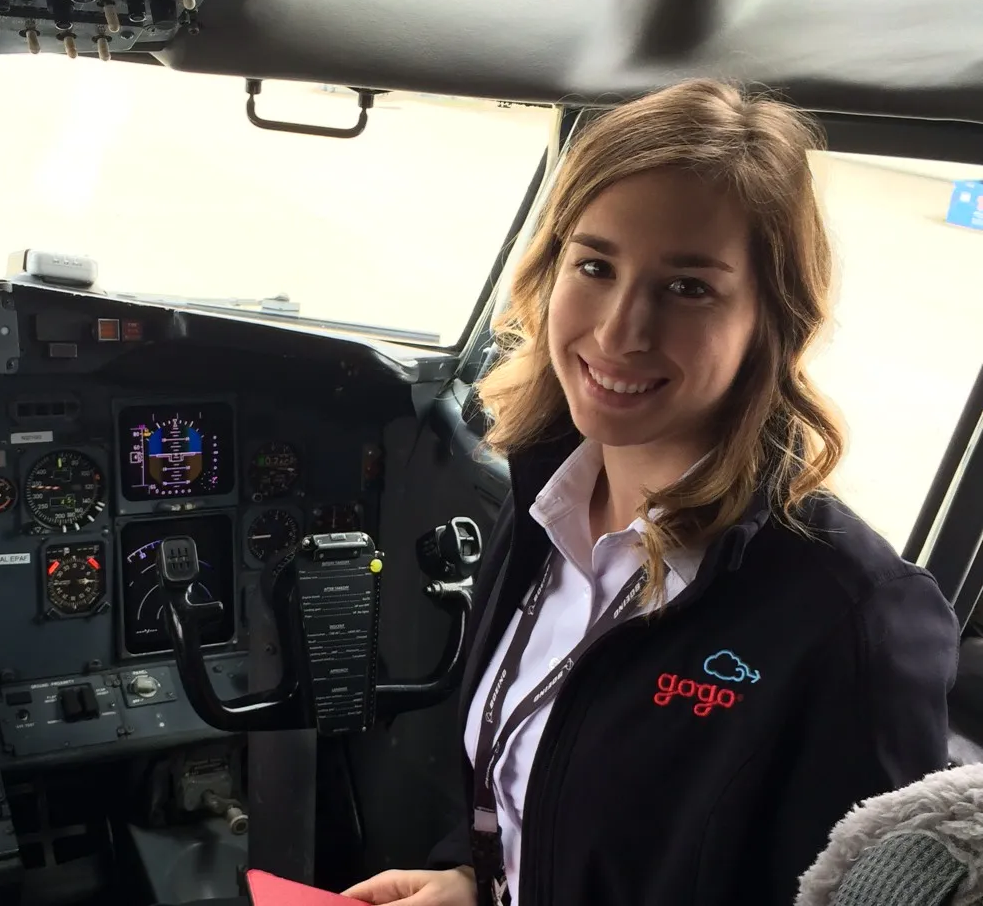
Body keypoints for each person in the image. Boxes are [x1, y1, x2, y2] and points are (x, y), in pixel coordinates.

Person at [342, 79, 960, 906]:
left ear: (770, 323)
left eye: (688, 287)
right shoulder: (540, 507)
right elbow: (539, 789)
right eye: (595, 265)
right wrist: (473, 879)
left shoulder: (854, 616)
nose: (619, 331)